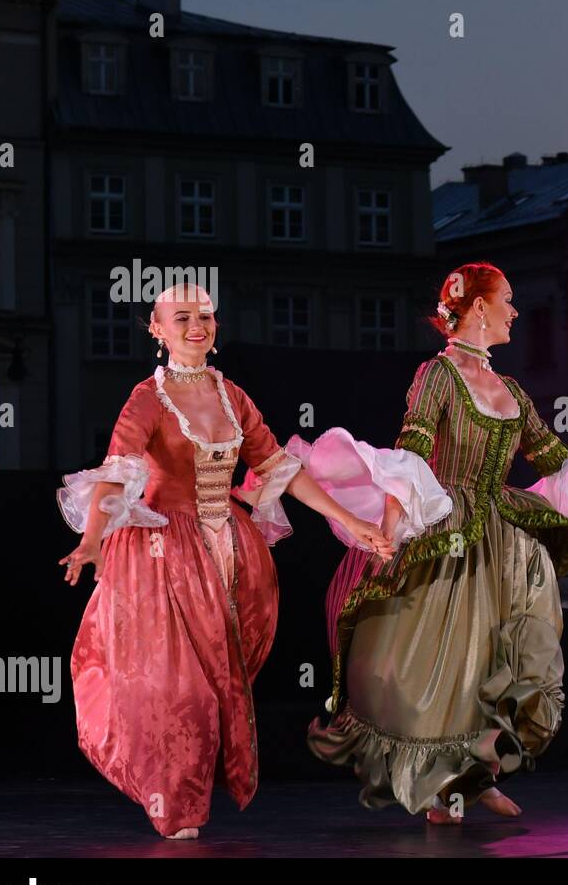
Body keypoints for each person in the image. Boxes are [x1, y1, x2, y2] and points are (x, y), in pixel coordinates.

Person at [304, 262, 568, 824]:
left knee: (502, 661)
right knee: (445, 667)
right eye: (507, 299)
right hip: (448, 532)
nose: (515, 310)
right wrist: (386, 530)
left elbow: (559, 461)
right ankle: (441, 788)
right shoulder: (437, 376)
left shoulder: (511, 390)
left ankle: (476, 776)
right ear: (477, 309)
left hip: (503, 536)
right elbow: (409, 458)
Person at [57, 283, 391, 839]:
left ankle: (192, 785)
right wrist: (93, 539)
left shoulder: (231, 395)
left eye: (205, 316)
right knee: (179, 685)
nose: (197, 326)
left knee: (216, 684)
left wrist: (349, 520)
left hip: (231, 550)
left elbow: (281, 468)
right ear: (157, 330)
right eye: (181, 317)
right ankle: (177, 806)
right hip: (166, 550)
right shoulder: (147, 397)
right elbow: (117, 470)